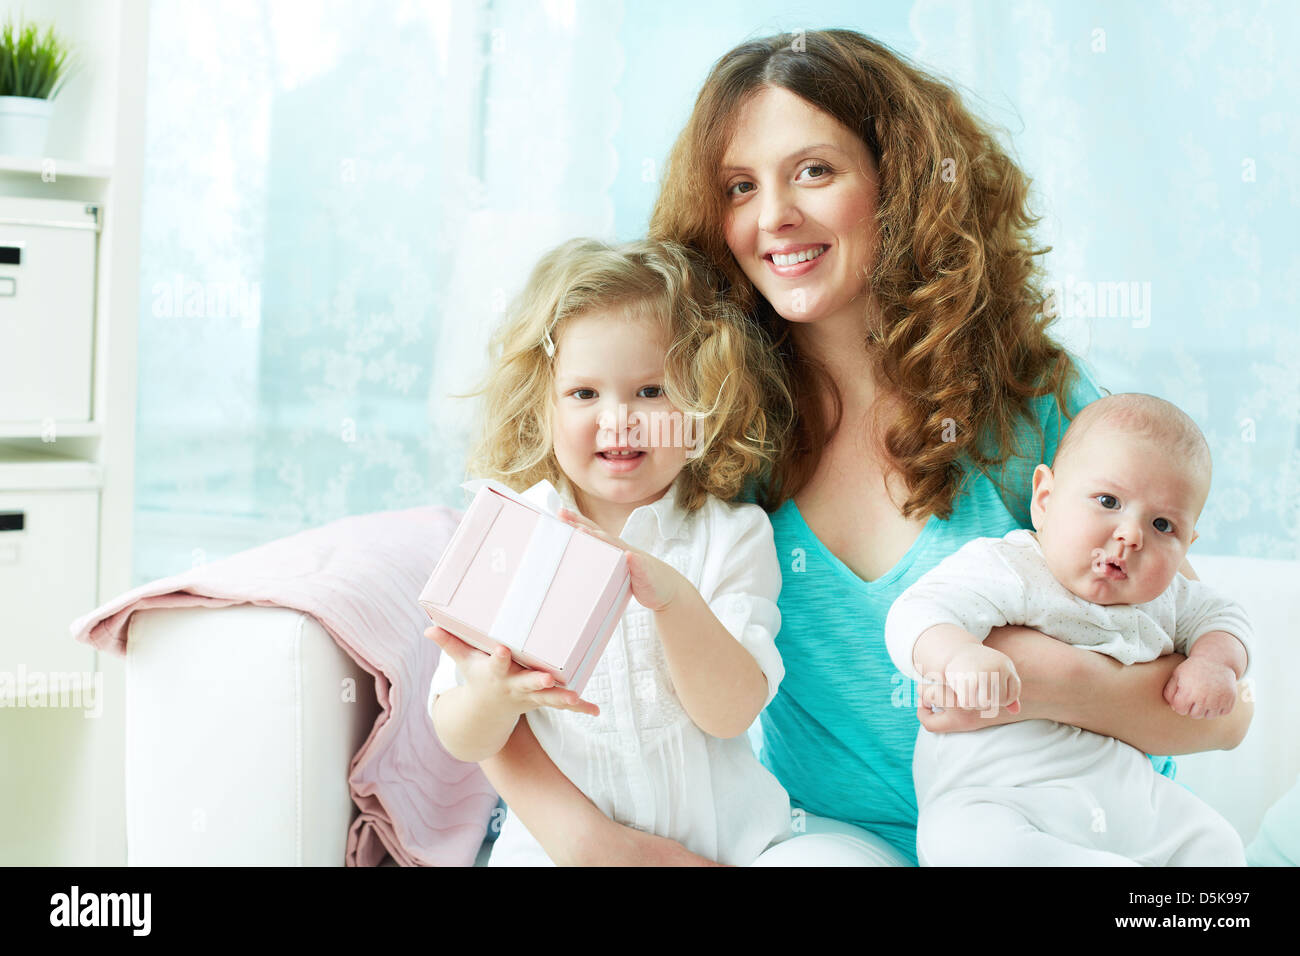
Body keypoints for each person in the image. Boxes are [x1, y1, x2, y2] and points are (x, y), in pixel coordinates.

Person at [472, 29, 1254, 866]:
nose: (774, 216)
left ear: (901, 185)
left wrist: (1017, 676)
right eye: (740, 186)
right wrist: (594, 843)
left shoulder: (1032, 403)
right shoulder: (714, 426)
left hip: (1065, 836)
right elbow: (498, 654)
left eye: (814, 170)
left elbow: (1222, 717)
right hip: (827, 846)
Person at [426, 237, 797, 866]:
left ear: (700, 403)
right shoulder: (512, 535)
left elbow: (731, 713)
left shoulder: (730, 536)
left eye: (651, 392)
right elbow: (459, 736)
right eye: (584, 394)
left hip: (729, 851)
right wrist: (490, 695)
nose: (619, 418)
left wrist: (673, 597)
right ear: (542, 406)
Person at [887, 393, 1251, 865]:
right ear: (1045, 499)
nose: (1132, 535)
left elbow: (1226, 618)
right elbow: (917, 611)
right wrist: (957, 655)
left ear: (1186, 546)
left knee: (1214, 843)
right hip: (999, 794)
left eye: (1163, 524)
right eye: (1108, 501)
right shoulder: (1012, 567)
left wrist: (1214, 661)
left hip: (1125, 797)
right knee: (958, 842)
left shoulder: (1170, 597)